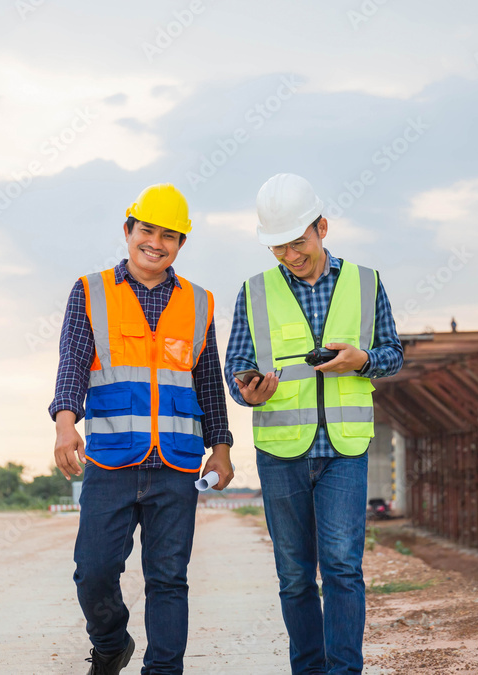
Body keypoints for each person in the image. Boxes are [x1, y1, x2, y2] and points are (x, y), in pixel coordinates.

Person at [50, 183, 234, 675]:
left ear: (181, 244)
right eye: (146, 230)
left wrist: (221, 447)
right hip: (110, 458)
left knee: (169, 579)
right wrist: (65, 425)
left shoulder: (200, 302)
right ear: (127, 231)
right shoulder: (90, 290)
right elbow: (73, 363)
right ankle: (110, 642)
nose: (156, 242)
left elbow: (208, 383)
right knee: (93, 571)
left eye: (169, 235)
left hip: (177, 463)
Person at [224, 173, 403, 674]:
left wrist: (362, 360)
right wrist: (248, 389)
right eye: (278, 247)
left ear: (322, 227)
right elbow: (236, 364)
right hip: (281, 452)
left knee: (343, 569)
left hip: (344, 450)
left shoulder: (366, 283)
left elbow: (393, 354)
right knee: (295, 576)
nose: (290, 255)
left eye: (298, 242)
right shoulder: (253, 292)